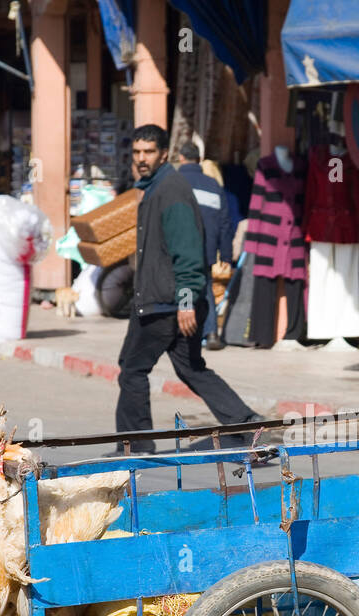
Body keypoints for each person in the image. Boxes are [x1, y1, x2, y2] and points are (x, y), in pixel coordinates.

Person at [113, 124, 258, 453]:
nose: (142, 158)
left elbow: (188, 252)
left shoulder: (171, 191)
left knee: (132, 369)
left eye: (148, 152)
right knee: (191, 368)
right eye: (137, 152)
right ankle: (247, 422)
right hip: (166, 299)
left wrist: (185, 301)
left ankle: (136, 447)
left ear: (164, 153)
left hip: (164, 303)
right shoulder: (155, 188)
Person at [173, 141, 235, 348]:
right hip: (206, 249)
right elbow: (225, 223)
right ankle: (211, 334)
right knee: (206, 288)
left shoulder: (173, 182)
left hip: (179, 247)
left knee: (184, 286)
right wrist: (226, 254)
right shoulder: (213, 185)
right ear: (199, 160)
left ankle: (184, 332)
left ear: (181, 158)